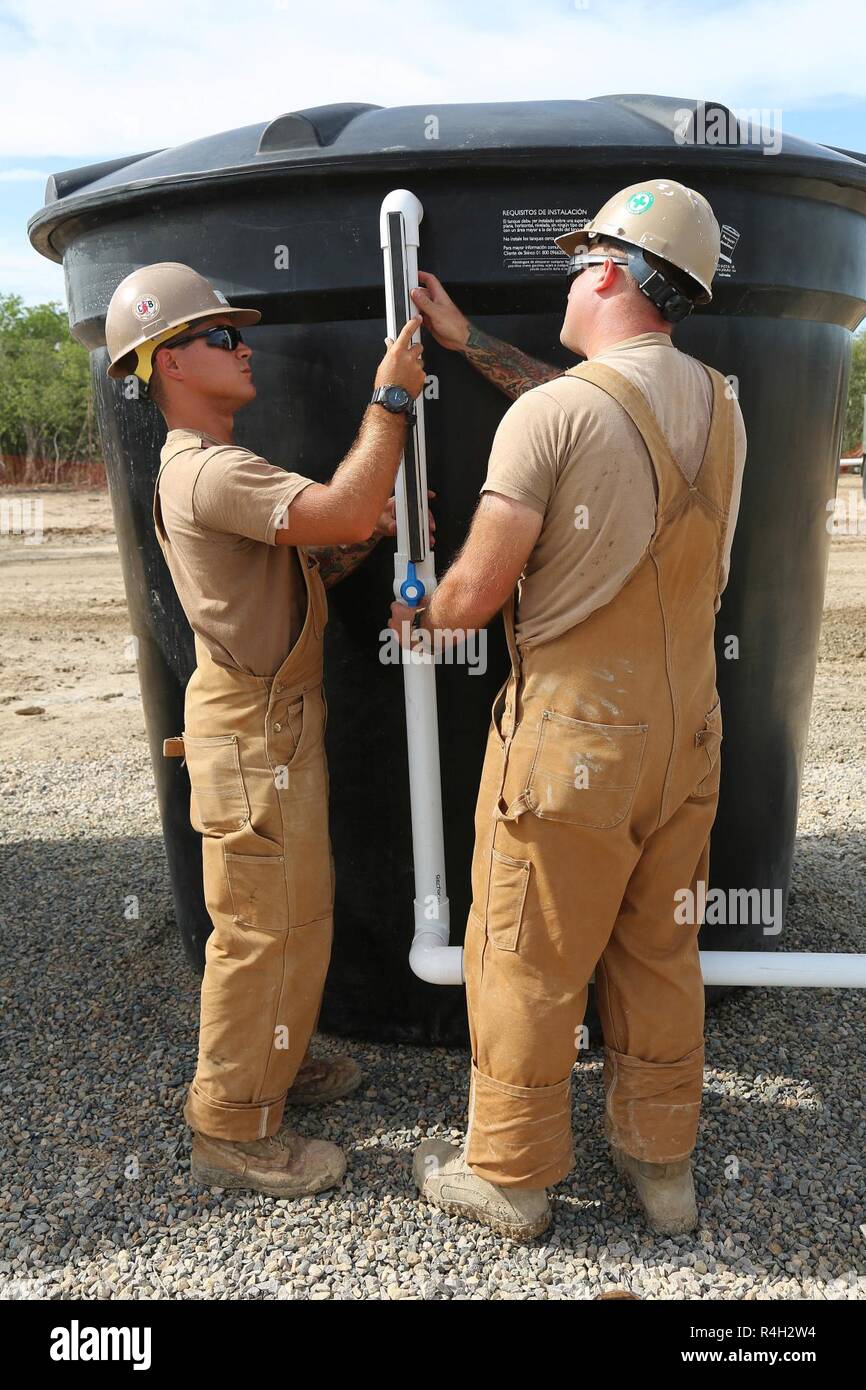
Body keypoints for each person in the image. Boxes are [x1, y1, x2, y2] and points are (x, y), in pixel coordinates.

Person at [390, 180, 747, 1239]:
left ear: (603, 268)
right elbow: (604, 416)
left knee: (526, 955)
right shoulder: (720, 403)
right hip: (684, 743)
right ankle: (660, 1166)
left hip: (573, 745)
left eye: (575, 256)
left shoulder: (553, 417)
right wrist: (469, 343)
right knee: (657, 949)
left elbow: (469, 599)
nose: (566, 272)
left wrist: (414, 597)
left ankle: (509, 1174)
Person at [104, 262, 425, 1197]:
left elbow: (302, 563)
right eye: (219, 337)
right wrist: (391, 401)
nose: (243, 348)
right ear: (167, 364)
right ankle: (232, 1130)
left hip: (268, 725)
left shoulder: (210, 470)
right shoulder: (208, 469)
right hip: (255, 732)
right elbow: (342, 507)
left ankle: (275, 1061)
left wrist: (371, 530)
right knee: (259, 929)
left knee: (293, 915)